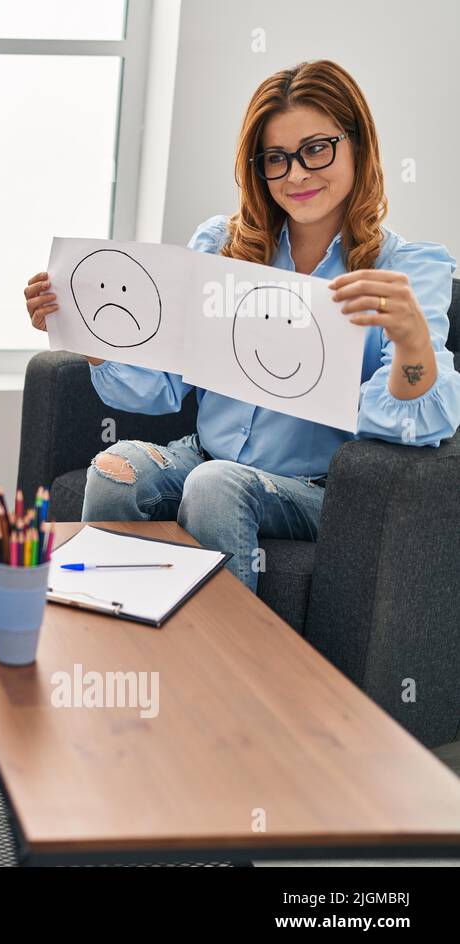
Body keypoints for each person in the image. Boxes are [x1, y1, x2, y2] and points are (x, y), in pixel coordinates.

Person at [24, 59, 460, 590]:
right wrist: (85, 333)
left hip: (315, 488)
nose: (297, 174)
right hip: (205, 453)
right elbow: (163, 384)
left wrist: (413, 341)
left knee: (215, 484)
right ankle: (105, 634)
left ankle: (223, 669)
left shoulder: (409, 267)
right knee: (118, 469)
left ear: (358, 146)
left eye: (316, 149)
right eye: (276, 158)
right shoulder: (222, 244)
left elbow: (422, 422)